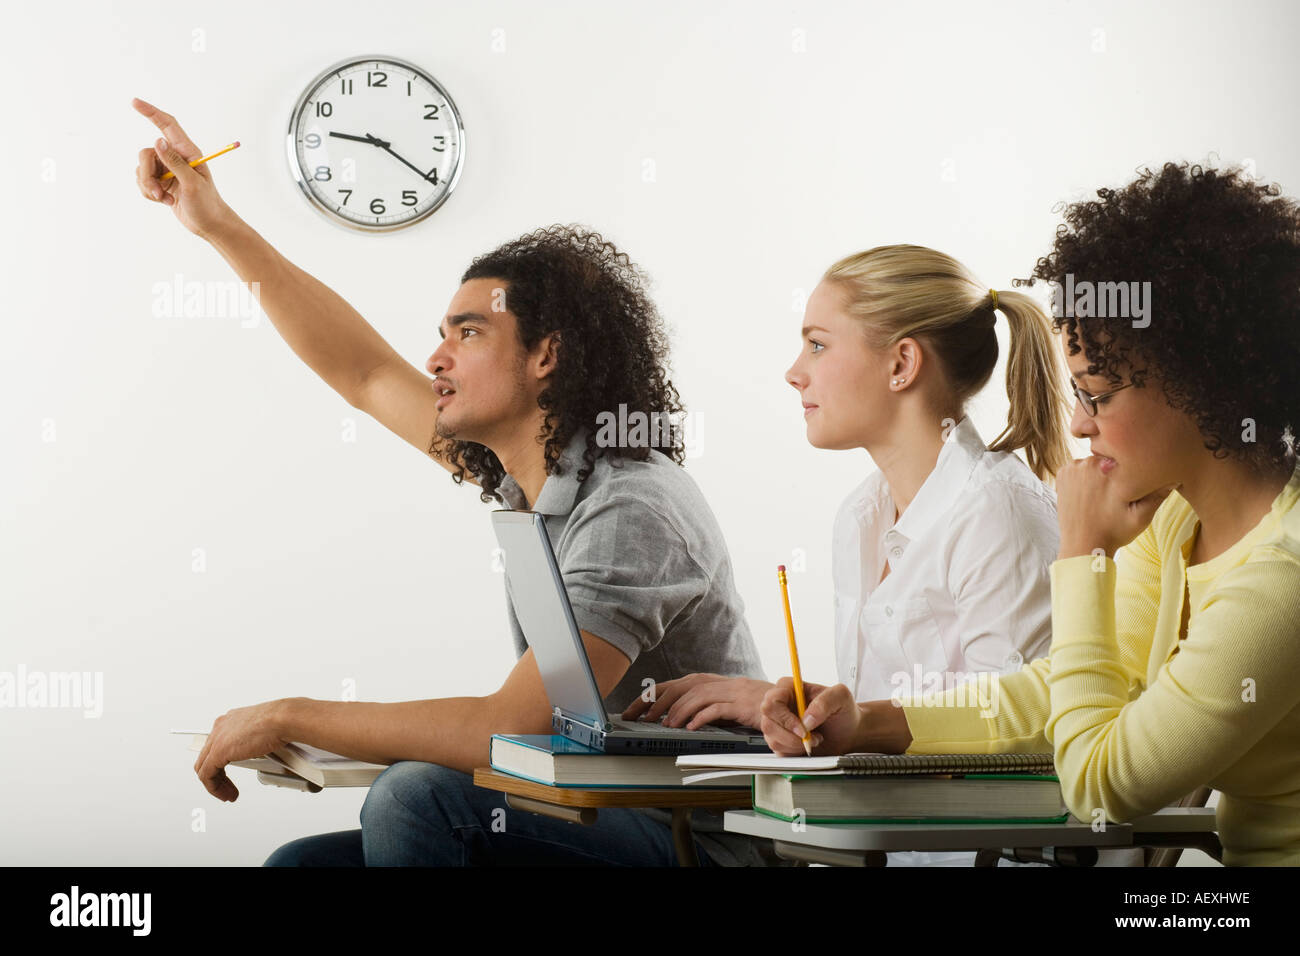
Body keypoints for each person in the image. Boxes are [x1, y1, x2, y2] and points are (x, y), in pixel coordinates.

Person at [132, 98, 773, 866]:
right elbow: (364, 372)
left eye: (467, 333)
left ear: (547, 356)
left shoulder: (631, 504)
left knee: (414, 797)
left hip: (696, 841)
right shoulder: (524, 475)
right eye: (442, 333)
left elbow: (512, 723)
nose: (436, 358)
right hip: (585, 808)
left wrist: (289, 714)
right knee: (301, 864)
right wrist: (216, 225)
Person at [760, 161, 1300, 867]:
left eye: (1098, 396)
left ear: (1199, 384)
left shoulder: (1279, 582)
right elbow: (1053, 698)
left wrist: (1081, 555)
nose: (1078, 425)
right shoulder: (1173, 525)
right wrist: (869, 724)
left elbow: (1101, 782)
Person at [624, 242, 1078, 865]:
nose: (794, 371)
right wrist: (777, 708)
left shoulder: (997, 510)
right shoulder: (860, 516)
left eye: (817, 344)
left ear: (902, 364)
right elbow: (877, 736)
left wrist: (849, 724)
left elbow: (1022, 740)